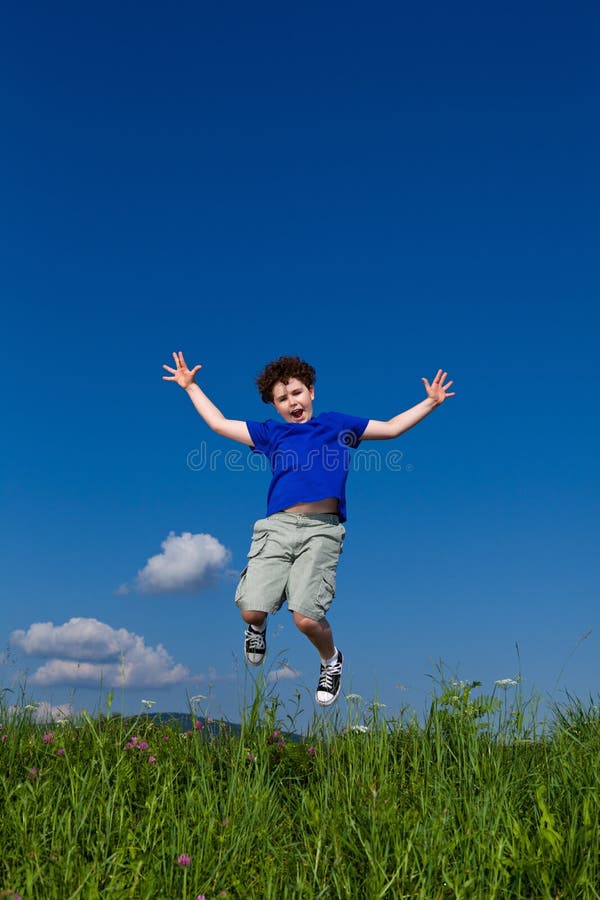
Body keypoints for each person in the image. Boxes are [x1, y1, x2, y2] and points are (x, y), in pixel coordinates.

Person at [163, 352, 454, 706]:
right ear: (274, 405)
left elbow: (392, 428)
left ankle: (330, 660)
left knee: (305, 618)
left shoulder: (336, 425)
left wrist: (430, 402)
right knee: (251, 610)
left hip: (322, 530)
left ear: (311, 391)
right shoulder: (271, 434)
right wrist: (191, 387)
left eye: (297, 393)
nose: (292, 402)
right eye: (282, 399)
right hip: (278, 527)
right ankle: (256, 629)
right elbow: (220, 424)